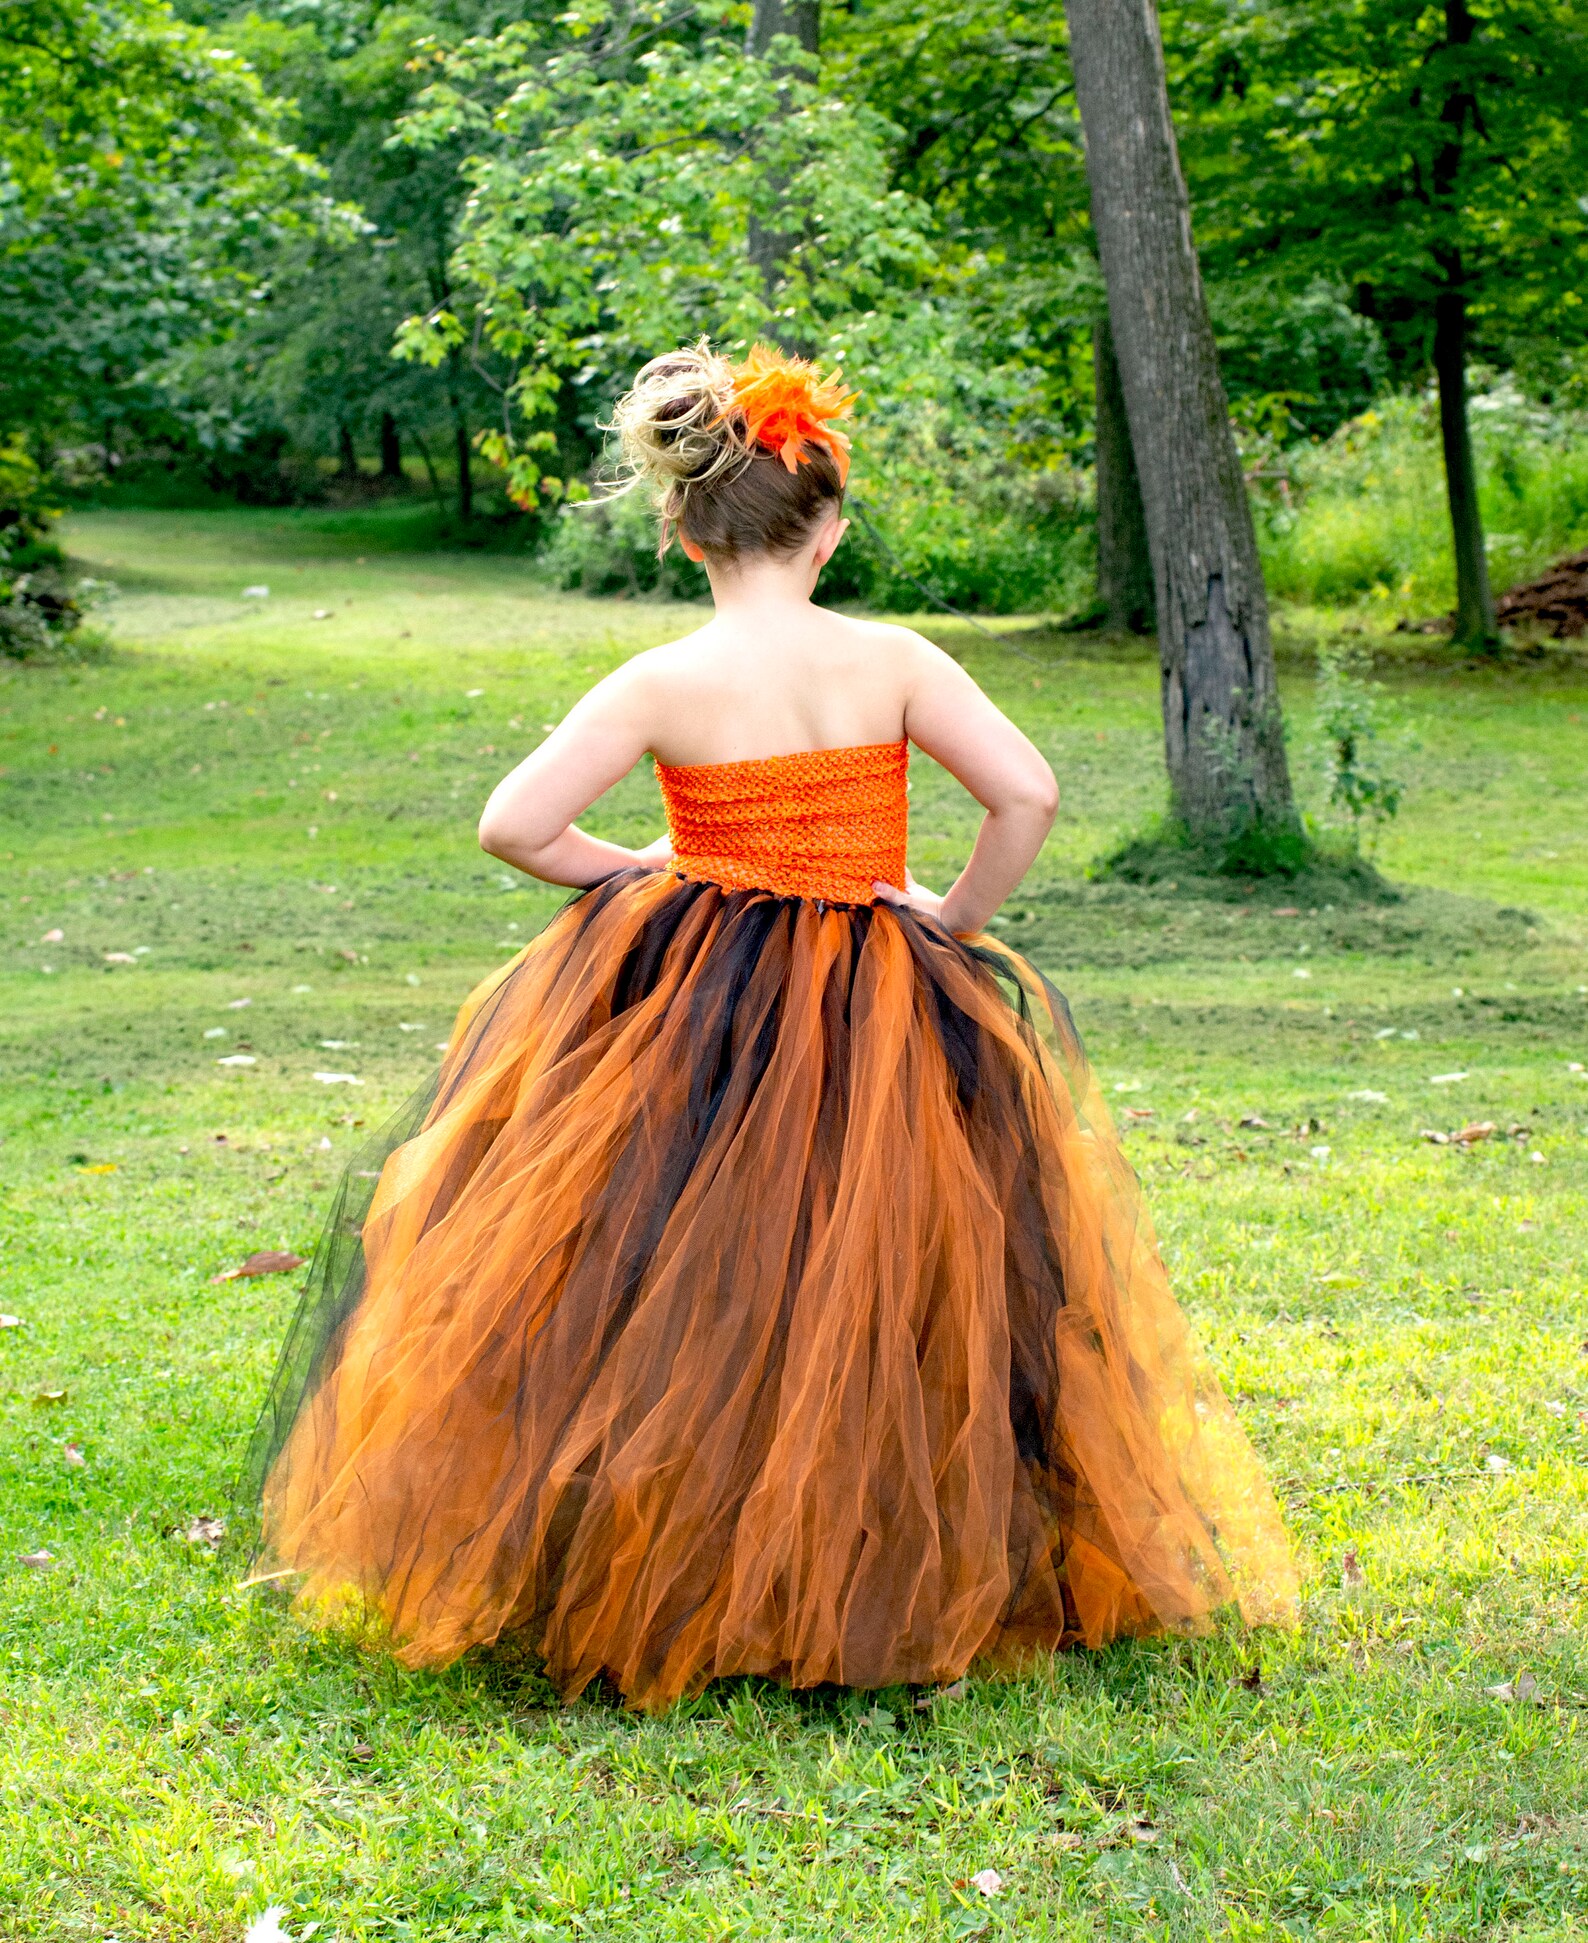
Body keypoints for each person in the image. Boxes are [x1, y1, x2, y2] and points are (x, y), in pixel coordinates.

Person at [244, 341, 1296, 1712]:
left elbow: (513, 825)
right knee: (895, 1267)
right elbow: (1025, 794)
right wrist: (953, 922)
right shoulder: (896, 660)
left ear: (683, 533)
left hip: (698, 1003)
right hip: (882, 991)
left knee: (683, 1268)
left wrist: (641, 872)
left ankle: (666, 1554)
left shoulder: (660, 683)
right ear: (830, 526)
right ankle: (896, 1552)